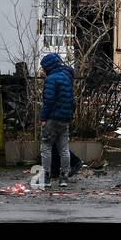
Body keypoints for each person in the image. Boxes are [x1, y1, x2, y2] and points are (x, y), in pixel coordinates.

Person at [39, 52, 75, 188]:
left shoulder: (51, 79)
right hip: (64, 118)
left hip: (52, 118)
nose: (43, 70)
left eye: (44, 67)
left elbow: (48, 100)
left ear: (49, 66)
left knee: (46, 147)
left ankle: (46, 178)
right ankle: (64, 178)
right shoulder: (67, 77)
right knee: (64, 149)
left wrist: (43, 117)